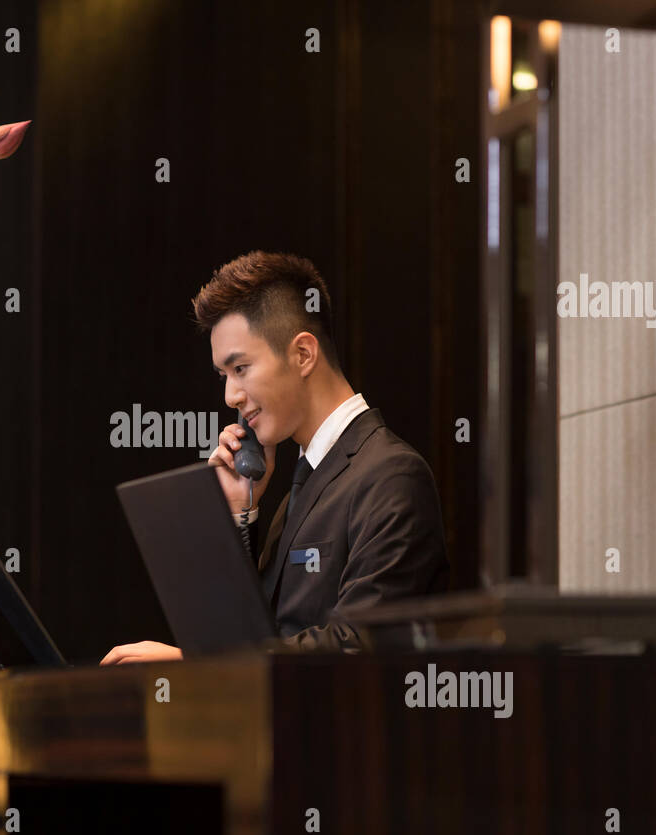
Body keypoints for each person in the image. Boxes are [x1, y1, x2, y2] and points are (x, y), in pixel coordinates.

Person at [101, 251, 449, 665]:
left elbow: (356, 647)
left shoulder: (392, 475)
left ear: (303, 354)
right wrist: (239, 514)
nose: (230, 396)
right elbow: (248, 636)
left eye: (241, 368)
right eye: (224, 376)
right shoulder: (300, 488)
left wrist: (192, 664)